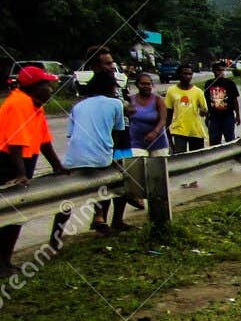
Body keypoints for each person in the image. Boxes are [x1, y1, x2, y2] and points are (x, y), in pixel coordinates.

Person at [0, 65, 69, 274]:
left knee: (18, 214)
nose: (50, 88)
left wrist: (58, 167)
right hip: (8, 163)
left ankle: (5, 261)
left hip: (24, 161)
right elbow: (14, 145)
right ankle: (1, 263)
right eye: (46, 84)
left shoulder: (34, 104)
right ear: (34, 87)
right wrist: (21, 174)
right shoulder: (19, 103)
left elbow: (45, 141)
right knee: (9, 214)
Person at [64, 72, 142, 233]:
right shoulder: (116, 104)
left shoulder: (78, 106)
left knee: (66, 199)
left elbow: (71, 135)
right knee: (121, 180)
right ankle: (113, 220)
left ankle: (55, 237)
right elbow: (116, 134)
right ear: (112, 87)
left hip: (72, 158)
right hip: (100, 157)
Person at [165, 64, 207, 154]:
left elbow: (205, 110)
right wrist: (167, 133)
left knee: (197, 158)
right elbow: (168, 113)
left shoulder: (198, 92)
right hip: (178, 130)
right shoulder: (171, 91)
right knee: (180, 157)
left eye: (190, 74)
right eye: (185, 73)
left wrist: (203, 112)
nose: (187, 76)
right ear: (179, 74)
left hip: (195, 130)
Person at [127, 72, 168, 155]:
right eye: (143, 84)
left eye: (148, 84)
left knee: (157, 166)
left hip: (157, 141)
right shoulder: (130, 100)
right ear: (137, 85)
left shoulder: (158, 100)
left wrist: (155, 132)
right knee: (137, 166)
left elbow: (163, 119)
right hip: (136, 142)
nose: (146, 86)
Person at [204, 61, 241, 145]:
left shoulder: (230, 83)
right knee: (214, 140)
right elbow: (207, 101)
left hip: (228, 116)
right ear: (213, 71)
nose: (220, 72)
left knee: (230, 139)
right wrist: (207, 116)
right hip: (214, 117)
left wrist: (237, 115)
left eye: (222, 70)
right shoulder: (209, 84)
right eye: (218, 70)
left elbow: (235, 100)